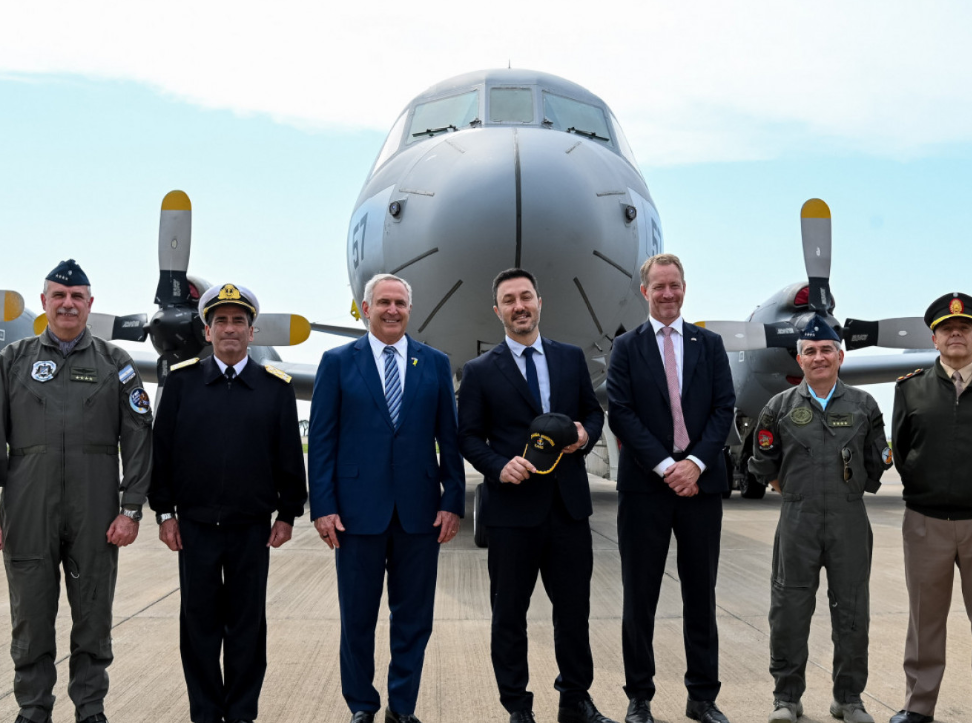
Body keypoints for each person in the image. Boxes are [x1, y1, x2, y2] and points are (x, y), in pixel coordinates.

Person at [0, 259, 153, 723]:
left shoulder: (116, 363)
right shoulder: (13, 360)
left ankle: (90, 709)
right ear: (45, 301)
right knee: (30, 614)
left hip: (95, 507)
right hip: (28, 504)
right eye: (58, 295)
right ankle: (33, 709)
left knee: (93, 613)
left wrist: (131, 508)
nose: (67, 304)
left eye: (76, 297)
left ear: (90, 304)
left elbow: (139, 438)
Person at [308, 273, 466, 723]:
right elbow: (321, 440)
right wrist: (323, 506)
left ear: (409, 309)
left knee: (414, 619)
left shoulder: (434, 363)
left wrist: (452, 499)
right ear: (365, 307)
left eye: (399, 303)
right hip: (355, 515)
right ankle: (362, 704)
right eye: (383, 303)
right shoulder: (338, 362)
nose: (392, 310)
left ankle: (402, 707)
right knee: (356, 619)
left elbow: (448, 440)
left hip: (420, 513)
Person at [456, 269, 613, 723]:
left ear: (540, 302)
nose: (519, 306)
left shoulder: (570, 358)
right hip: (510, 512)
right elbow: (468, 437)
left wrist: (586, 432)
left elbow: (591, 410)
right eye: (509, 300)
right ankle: (517, 706)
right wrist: (497, 466)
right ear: (498, 311)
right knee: (509, 615)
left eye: (526, 297)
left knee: (574, 613)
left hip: (567, 508)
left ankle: (575, 699)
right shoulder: (481, 372)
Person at [149, 283, 308, 723]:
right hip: (195, 527)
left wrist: (289, 513)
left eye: (239, 321)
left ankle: (240, 713)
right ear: (207, 331)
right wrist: (164, 513)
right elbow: (161, 453)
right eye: (221, 320)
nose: (230, 329)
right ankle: (205, 712)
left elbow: (289, 457)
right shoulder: (181, 383)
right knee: (198, 628)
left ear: (252, 332)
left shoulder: (275, 388)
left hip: (251, 528)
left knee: (247, 628)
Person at [606, 254, 736, 723]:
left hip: (700, 487)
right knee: (639, 597)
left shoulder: (710, 344)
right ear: (645, 291)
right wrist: (666, 466)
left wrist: (696, 464)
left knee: (701, 595)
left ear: (685, 288)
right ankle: (639, 696)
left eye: (674, 286)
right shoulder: (625, 348)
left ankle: (702, 696)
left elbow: (725, 406)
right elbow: (620, 411)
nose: (667, 294)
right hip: (645, 488)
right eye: (658, 287)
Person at [748, 317, 890, 723]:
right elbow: (765, 465)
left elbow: (874, 465)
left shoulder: (863, 405)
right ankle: (786, 698)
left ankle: (848, 699)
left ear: (840, 356)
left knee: (852, 611)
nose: (819, 357)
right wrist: (797, 493)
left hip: (848, 519)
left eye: (826, 349)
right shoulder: (779, 407)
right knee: (789, 610)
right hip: (798, 519)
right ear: (800, 358)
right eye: (810, 351)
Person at [888, 293, 972, 723]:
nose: (956, 334)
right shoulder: (911, 389)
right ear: (935, 338)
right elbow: (903, 446)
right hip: (927, 522)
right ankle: (918, 706)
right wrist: (925, 488)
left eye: (965, 328)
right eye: (948, 329)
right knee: (925, 622)